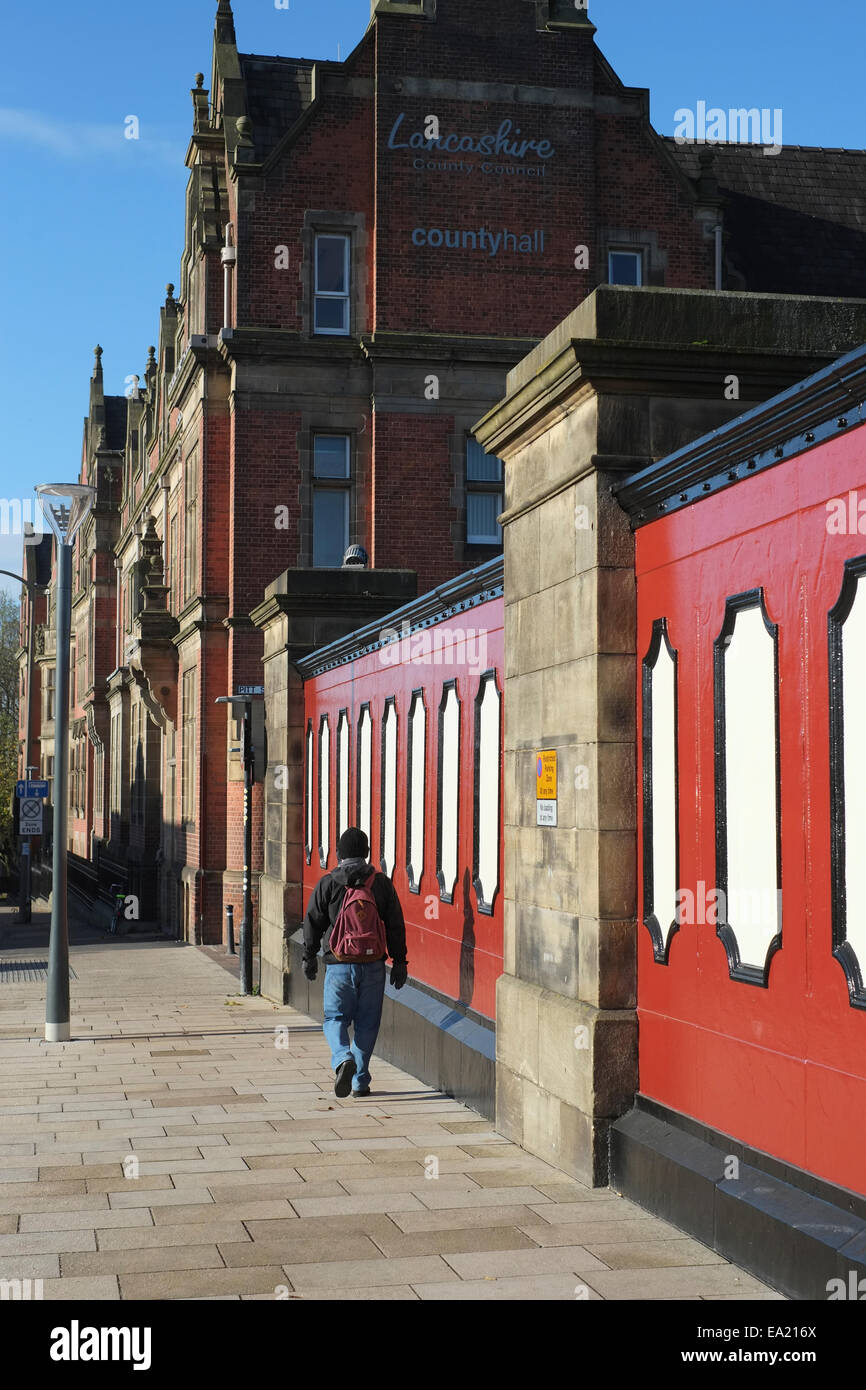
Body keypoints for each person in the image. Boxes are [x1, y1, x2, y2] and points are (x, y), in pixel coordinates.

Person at [302, 827, 408, 1097]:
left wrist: (309, 956)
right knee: (367, 1023)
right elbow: (395, 923)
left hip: (339, 965)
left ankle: (342, 1058)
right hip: (373, 964)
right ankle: (360, 1081)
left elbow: (312, 921)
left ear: (338, 853)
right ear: (367, 853)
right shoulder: (381, 883)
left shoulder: (329, 883)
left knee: (335, 1018)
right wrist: (399, 961)